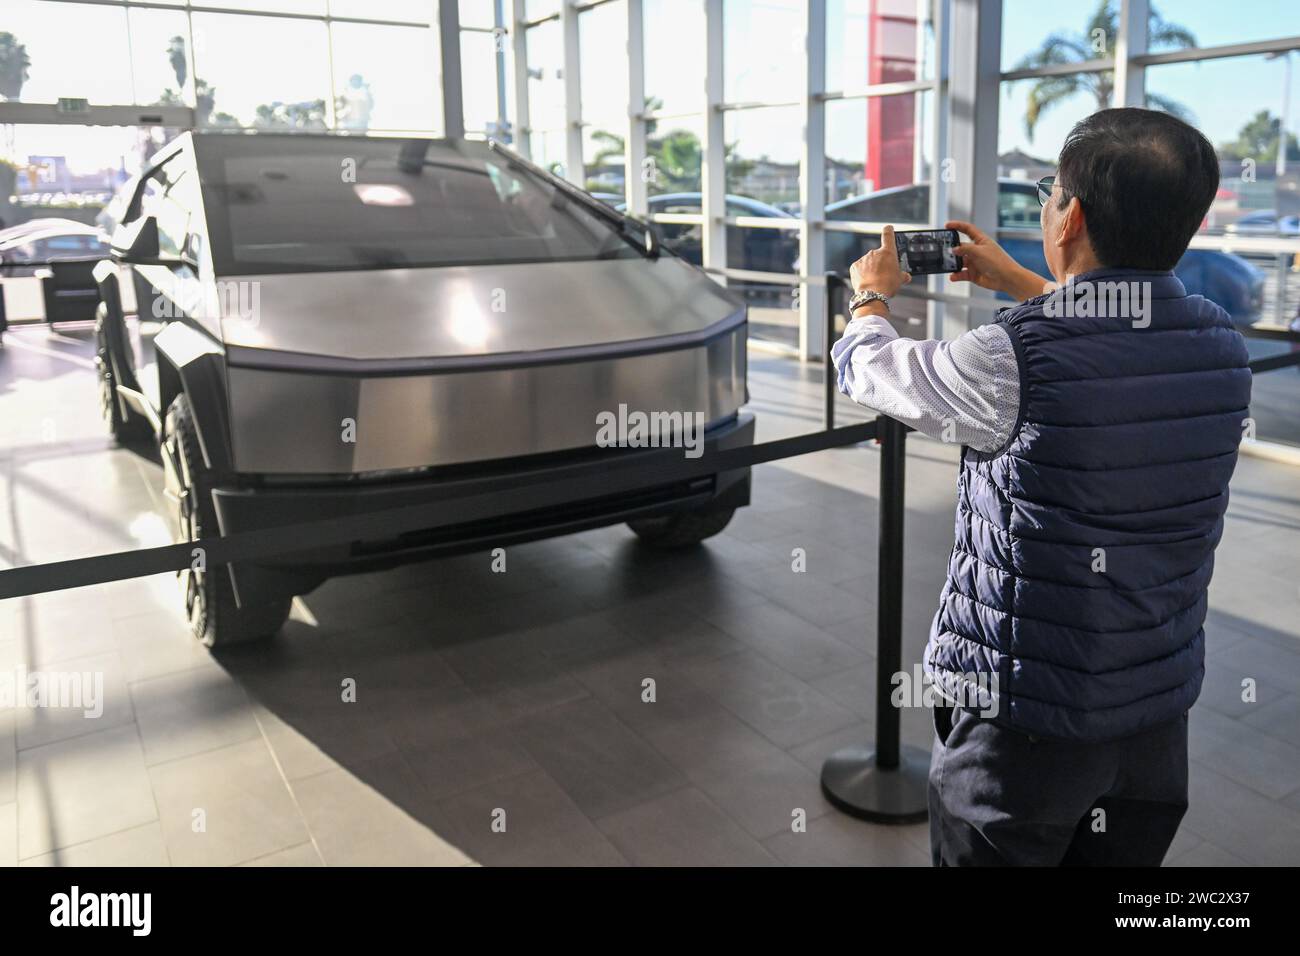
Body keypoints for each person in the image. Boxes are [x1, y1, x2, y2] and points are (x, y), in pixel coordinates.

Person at [832, 107, 1251, 866]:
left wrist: (870, 297)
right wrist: (1021, 278)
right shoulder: (1220, 342)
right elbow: (1108, 339)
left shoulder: (1009, 357)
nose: (1049, 206)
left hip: (1024, 727)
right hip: (1155, 714)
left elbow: (875, 372)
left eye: (1051, 194)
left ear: (1073, 216)